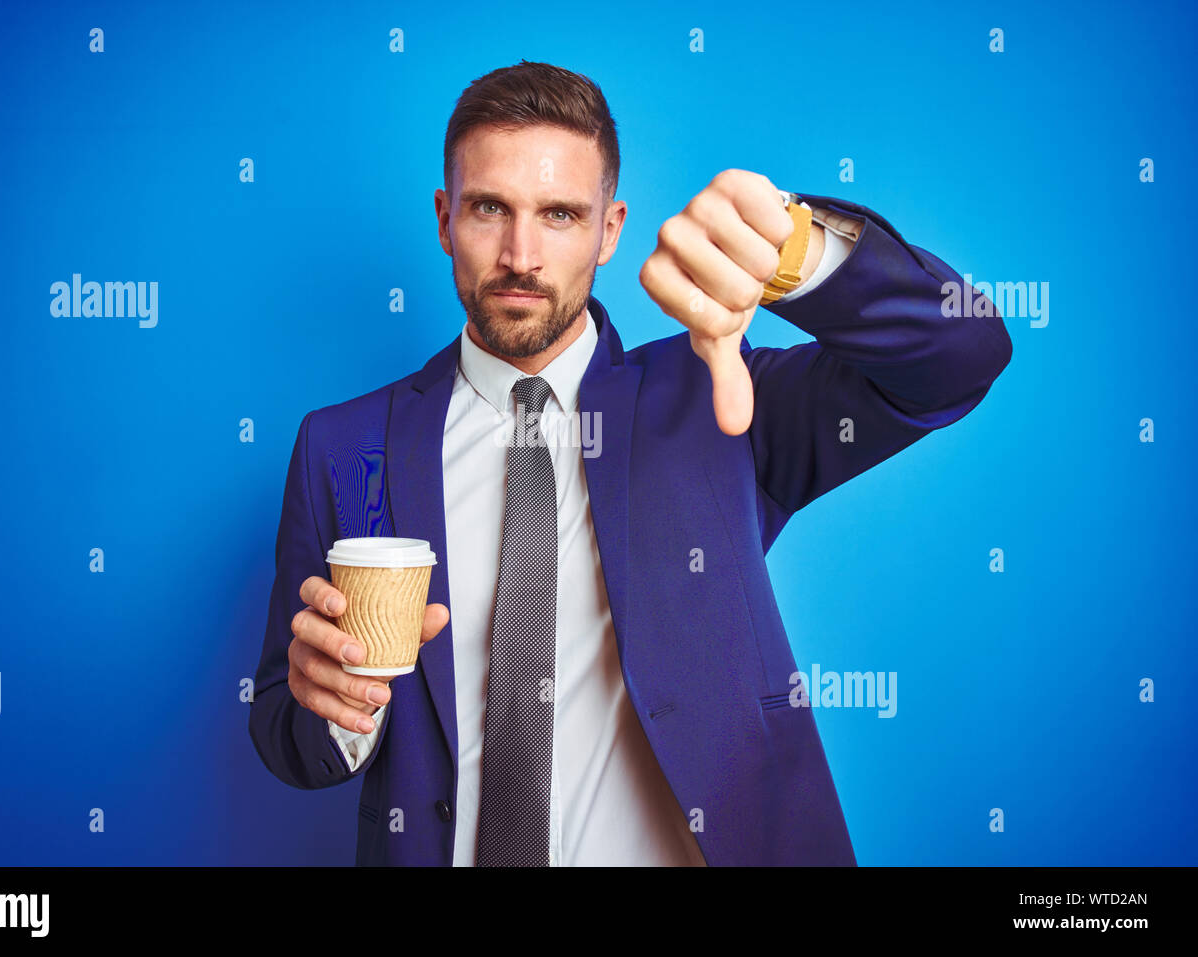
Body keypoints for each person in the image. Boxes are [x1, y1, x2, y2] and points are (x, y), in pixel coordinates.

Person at [248, 60, 1012, 866]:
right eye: (489, 209)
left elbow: (960, 355)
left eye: (561, 215)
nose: (522, 254)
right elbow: (282, 733)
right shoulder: (341, 446)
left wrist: (791, 246)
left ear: (610, 230)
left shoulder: (714, 400)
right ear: (445, 219)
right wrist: (334, 707)